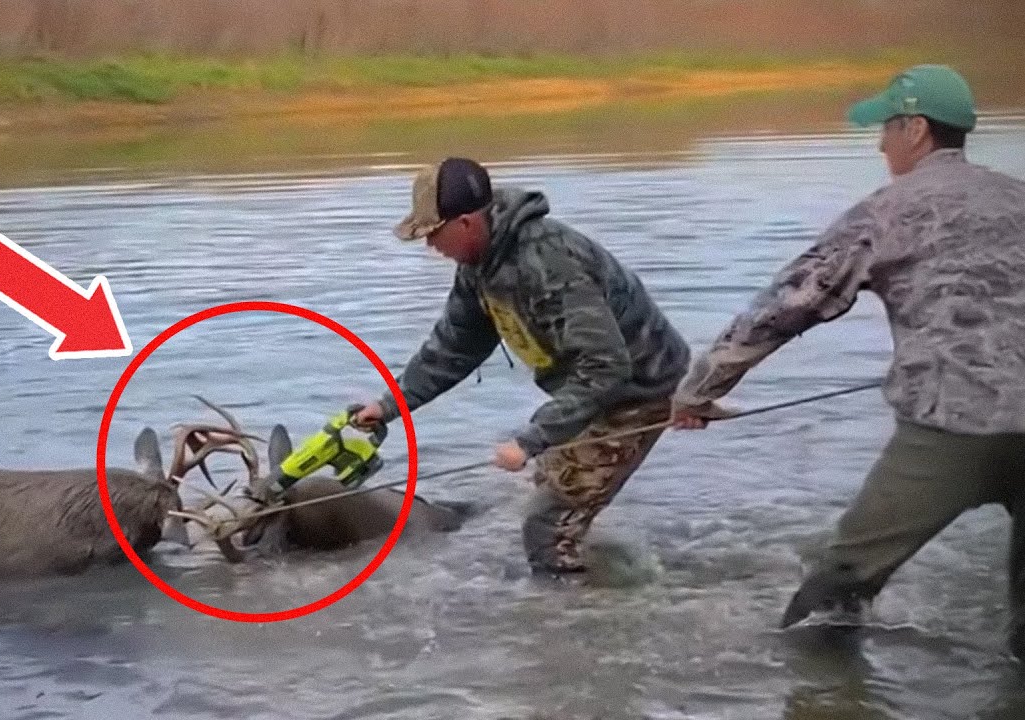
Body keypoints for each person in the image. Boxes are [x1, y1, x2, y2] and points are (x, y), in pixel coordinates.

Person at [670, 64, 1025, 656]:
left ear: (916, 129)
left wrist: (699, 388)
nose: (880, 143)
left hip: (954, 432)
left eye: (886, 128)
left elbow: (784, 306)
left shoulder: (886, 212)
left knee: (834, 593)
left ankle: (815, 694)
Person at [350, 156, 697, 576]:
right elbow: (453, 348)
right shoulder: (479, 266)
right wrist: (390, 405)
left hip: (638, 391)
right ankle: (602, 558)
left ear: (465, 223)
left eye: (433, 233)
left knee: (544, 526)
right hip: (592, 390)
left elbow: (606, 366)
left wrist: (532, 439)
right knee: (550, 489)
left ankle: (569, 622)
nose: (430, 246)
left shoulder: (548, 263)